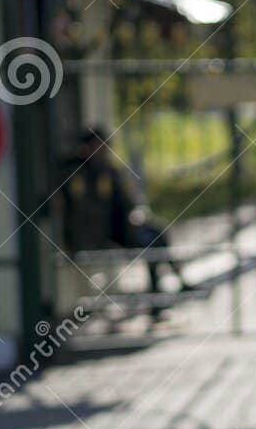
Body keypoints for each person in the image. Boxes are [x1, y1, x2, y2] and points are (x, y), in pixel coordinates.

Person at [57, 127, 193, 318]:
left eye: (105, 147)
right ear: (86, 148)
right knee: (149, 242)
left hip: (117, 231)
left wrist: (135, 217)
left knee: (156, 233)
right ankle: (162, 293)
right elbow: (81, 213)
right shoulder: (75, 173)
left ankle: (167, 287)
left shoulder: (110, 171)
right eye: (98, 147)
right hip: (93, 237)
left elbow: (126, 203)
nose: (103, 151)